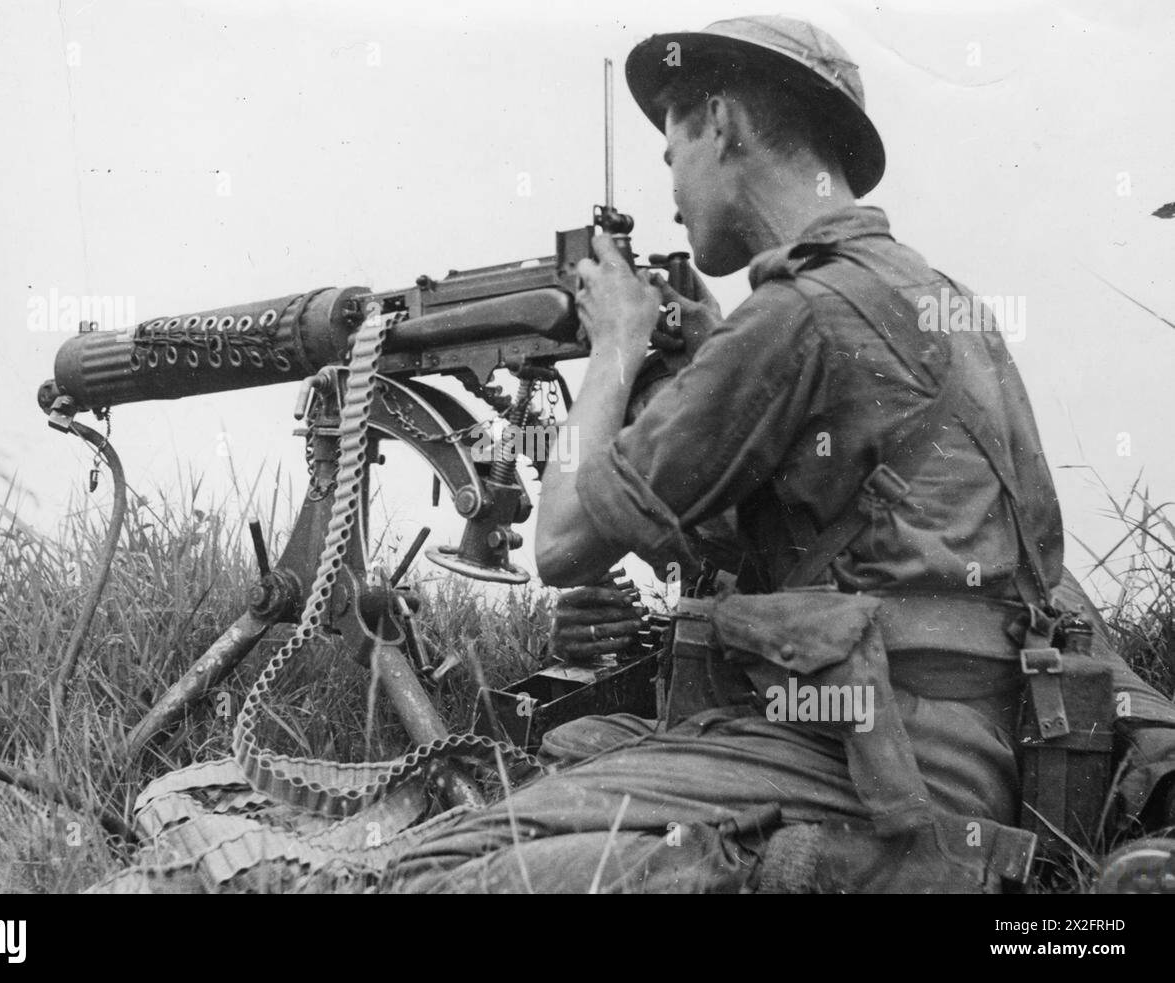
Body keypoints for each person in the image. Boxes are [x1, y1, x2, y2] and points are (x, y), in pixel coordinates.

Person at [389, 15, 1175, 893]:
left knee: (450, 866)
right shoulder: (941, 299)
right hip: (987, 740)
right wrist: (695, 364)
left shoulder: (796, 312)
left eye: (672, 151)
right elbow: (783, 537)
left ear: (722, 123)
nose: (672, 190)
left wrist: (614, 343)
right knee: (566, 760)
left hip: (877, 756)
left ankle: (873, 872)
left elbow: (563, 543)